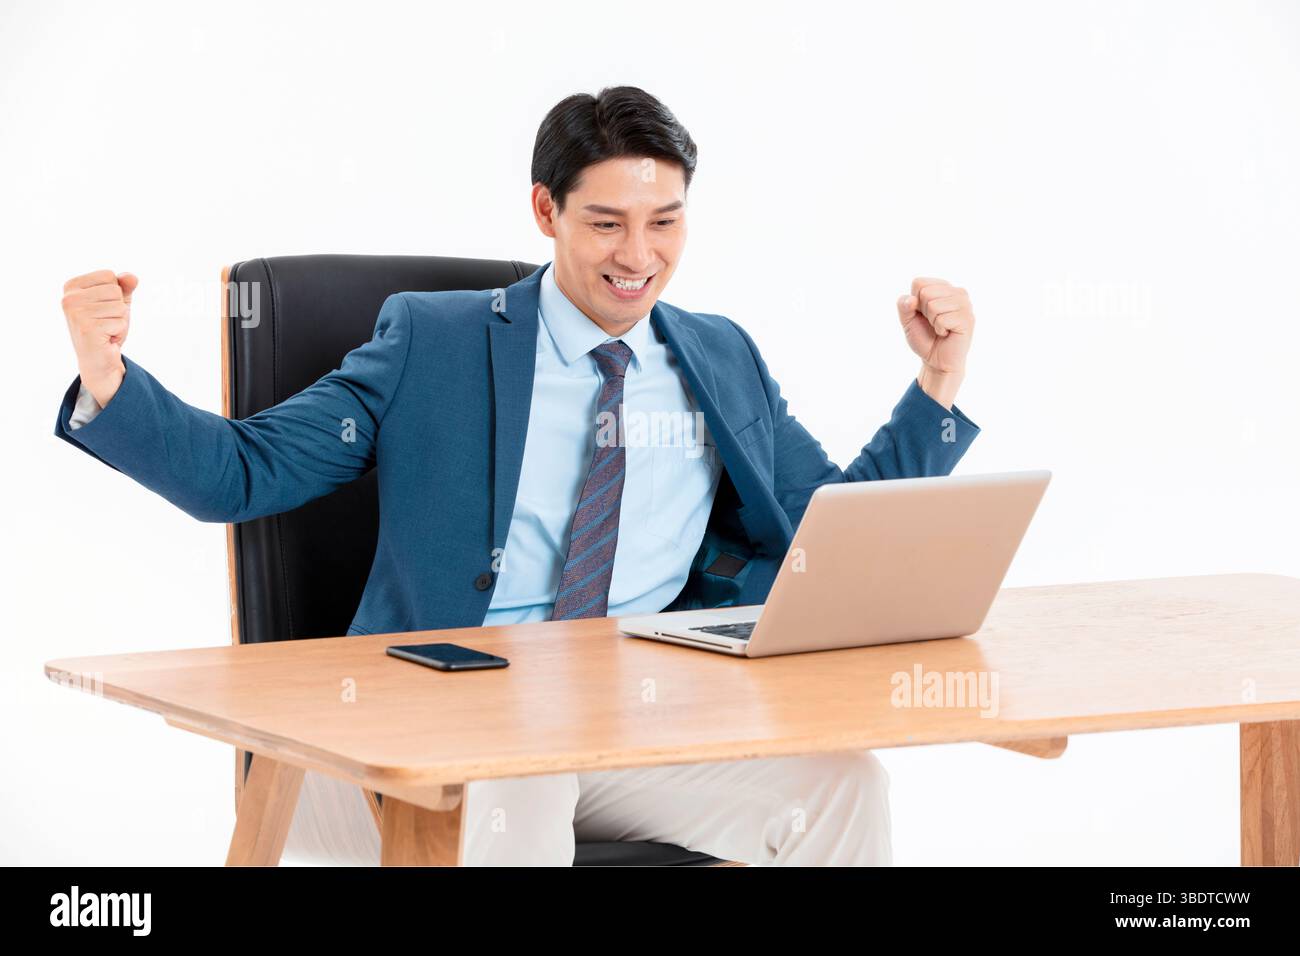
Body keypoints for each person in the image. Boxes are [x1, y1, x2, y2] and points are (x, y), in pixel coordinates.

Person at [56, 85, 980, 865]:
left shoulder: (718, 355)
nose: (639, 256)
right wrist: (110, 379)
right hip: (443, 713)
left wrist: (937, 381)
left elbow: (835, 532)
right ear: (546, 212)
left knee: (844, 786)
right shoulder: (434, 342)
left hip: (640, 717)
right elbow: (241, 473)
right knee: (524, 783)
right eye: (607, 223)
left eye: (665, 222)